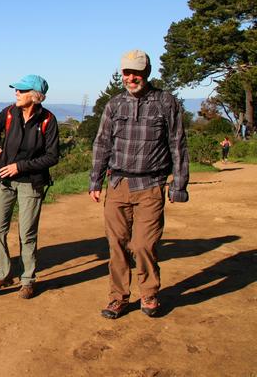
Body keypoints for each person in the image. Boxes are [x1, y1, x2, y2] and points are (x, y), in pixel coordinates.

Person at [89, 49, 190, 319]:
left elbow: (177, 144)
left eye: (136, 72)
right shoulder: (114, 105)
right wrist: (95, 180)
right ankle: (118, 297)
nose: (131, 77)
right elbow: (102, 144)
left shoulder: (166, 103)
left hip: (151, 185)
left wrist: (179, 185)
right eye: (126, 72)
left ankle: (149, 293)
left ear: (147, 72)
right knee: (117, 244)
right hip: (118, 184)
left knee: (144, 244)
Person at [0, 75, 59, 299]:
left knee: (27, 234)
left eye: (22, 90)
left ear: (35, 96)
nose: (16, 92)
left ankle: (27, 280)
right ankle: (1, 274)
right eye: (16, 89)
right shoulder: (9, 112)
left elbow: (52, 156)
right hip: (4, 180)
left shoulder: (48, 120)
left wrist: (20, 167)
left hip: (31, 183)